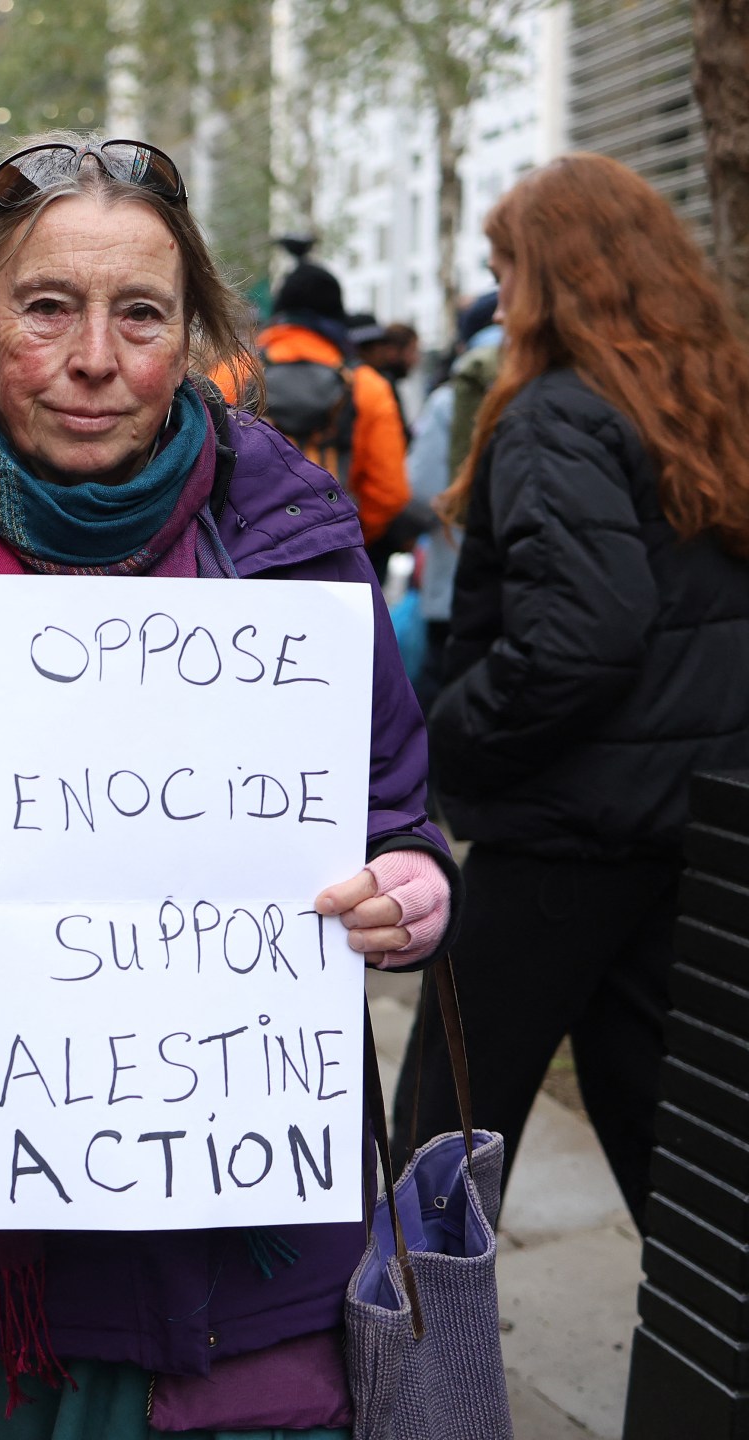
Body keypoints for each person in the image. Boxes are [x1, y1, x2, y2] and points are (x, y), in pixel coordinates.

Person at [0, 132, 458, 1433]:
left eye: (141, 315)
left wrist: (413, 882)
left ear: (195, 334)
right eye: (48, 308)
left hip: (243, 1279)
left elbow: (394, 815)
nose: (97, 358)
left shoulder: (300, 554)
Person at [395, 153, 749, 1228]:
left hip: (562, 833)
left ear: (555, 276)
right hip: (690, 828)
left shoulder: (556, 414)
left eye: (507, 268)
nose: (497, 295)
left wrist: (452, 741)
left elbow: (579, 639)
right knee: (675, 1151)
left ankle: (408, 1384)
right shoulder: (713, 404)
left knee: (437, 1150)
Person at [217, 260, 410, 553]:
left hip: (241, 558)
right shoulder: (367, 386)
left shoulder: (228, 376)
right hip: (338, 555)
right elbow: (390, 492)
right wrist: (349, 536)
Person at [403, 292, 497, 716]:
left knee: (447, 703)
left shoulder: (451, 398)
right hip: (535, 598)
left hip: (454, 580)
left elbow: (419, 486)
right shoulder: (559, 379)